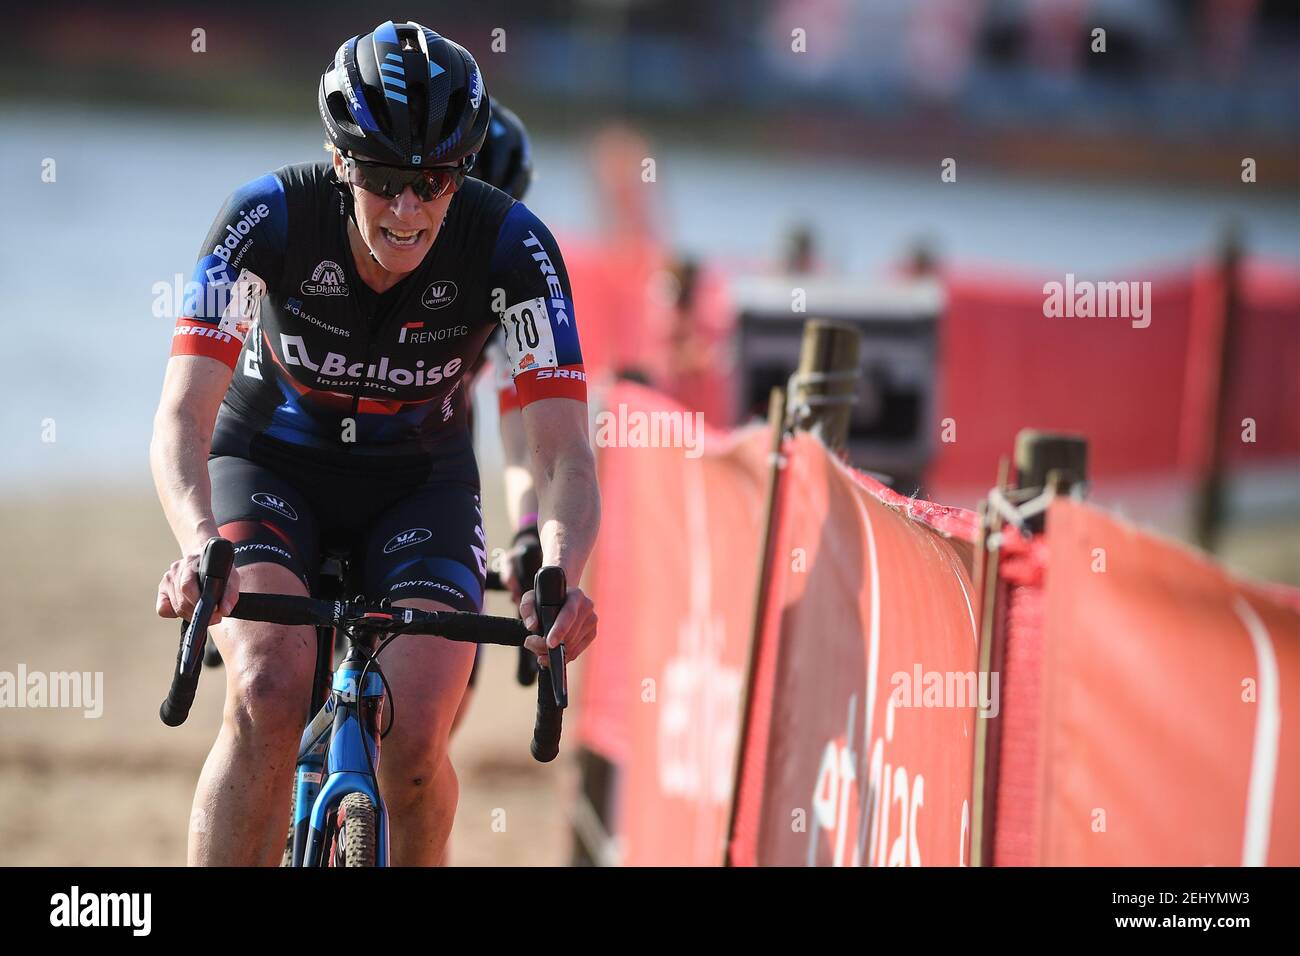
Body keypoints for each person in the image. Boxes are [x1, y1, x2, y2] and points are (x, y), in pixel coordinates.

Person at [150, 20, 600, 867]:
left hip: (417, 484)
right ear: (341, 160)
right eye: (386, 178)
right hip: (269, 461)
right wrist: (199, 543)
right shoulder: (265, 217)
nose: (409, 207)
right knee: (265, 689)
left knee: (419, 739)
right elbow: (182, 418)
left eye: (435, 180)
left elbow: (564, 454)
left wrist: (560, 573)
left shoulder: (517, 246)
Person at [452, 97, 540, 734]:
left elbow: (523, 438)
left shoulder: (508, 284)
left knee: (434, 724)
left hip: (427, 472)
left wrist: (531, 529)